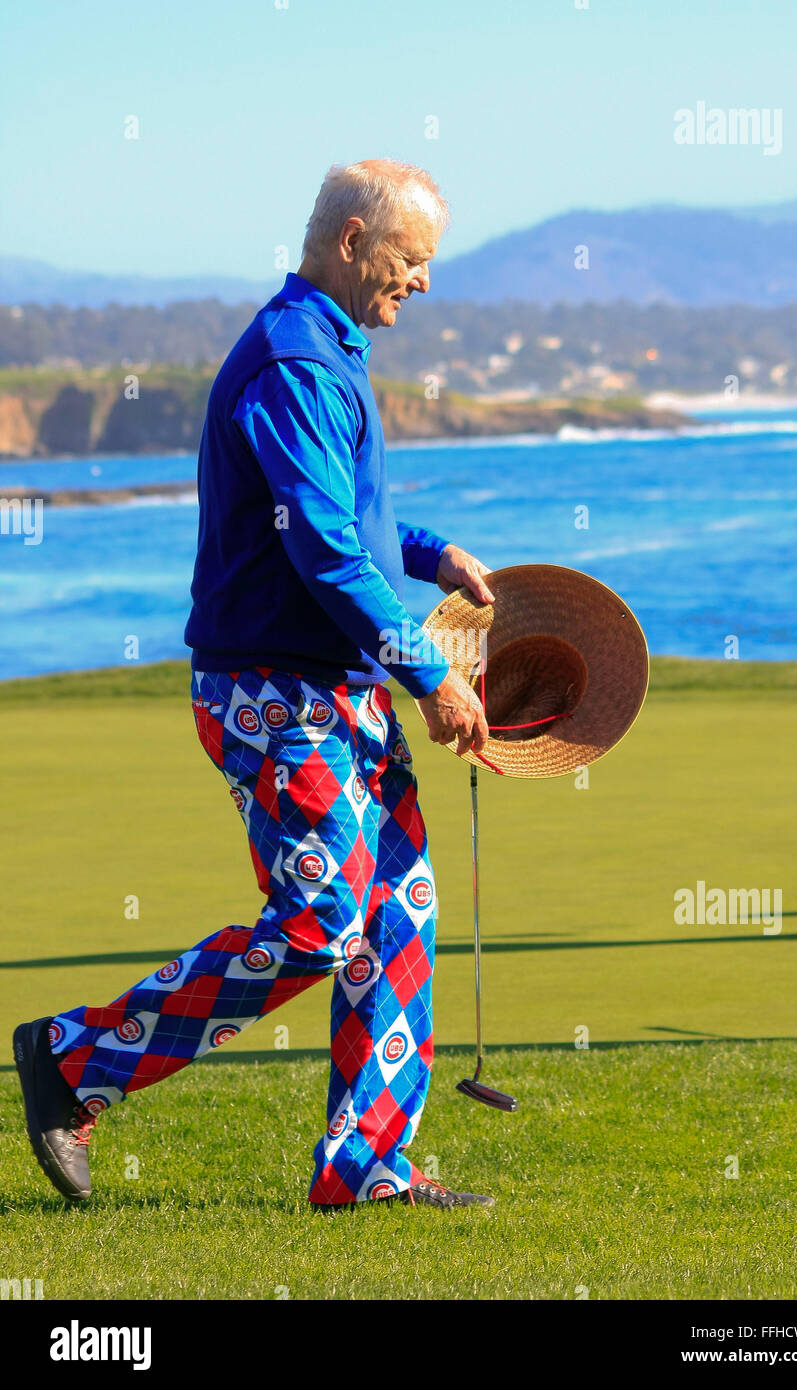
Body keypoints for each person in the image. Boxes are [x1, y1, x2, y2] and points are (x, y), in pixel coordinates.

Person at [13, 159, 496, 1213]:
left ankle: (366, 1168)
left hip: (334, 688)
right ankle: (77, 1057)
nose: (419, 281)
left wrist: (427, 549)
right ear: (355, 238)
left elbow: (342, 523)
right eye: (410, 261)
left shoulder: (328, 346)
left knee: (394, 921)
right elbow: (321, 549)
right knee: (324, 918)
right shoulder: (294, 360)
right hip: (277, 695)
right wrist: (429, 674)